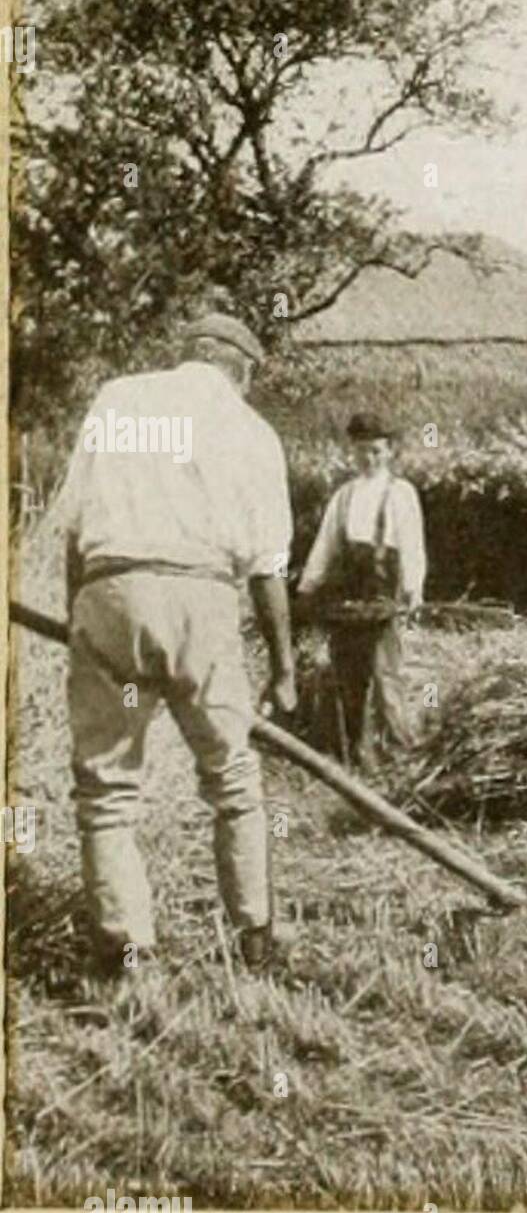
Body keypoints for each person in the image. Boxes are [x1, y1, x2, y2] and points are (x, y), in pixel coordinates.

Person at [58, 311, 297, 977]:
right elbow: (266, 567)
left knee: (106, 787)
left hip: (108, 590)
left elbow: (74, 533)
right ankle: (254, 938)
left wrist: (79, 620)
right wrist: (283, 670)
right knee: (232, 775)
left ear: (188, 354)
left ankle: (128, 951)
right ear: (242, 371)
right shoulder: (250, 430)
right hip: (201, 599)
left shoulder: (117, 397)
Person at [296, 412, 426, 763]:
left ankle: (398, 752)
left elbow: (413, 546)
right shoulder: (345, 496)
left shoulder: (400, 494)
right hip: (347, 599)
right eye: (361, 452)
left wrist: (414, 589)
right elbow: (325, 545)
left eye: (376, 452)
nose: (368, 459)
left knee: (386, 675)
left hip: (384, 596)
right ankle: (352, 751)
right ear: (352, 452)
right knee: (347, 675)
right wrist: (308, 587)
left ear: (390, 452)